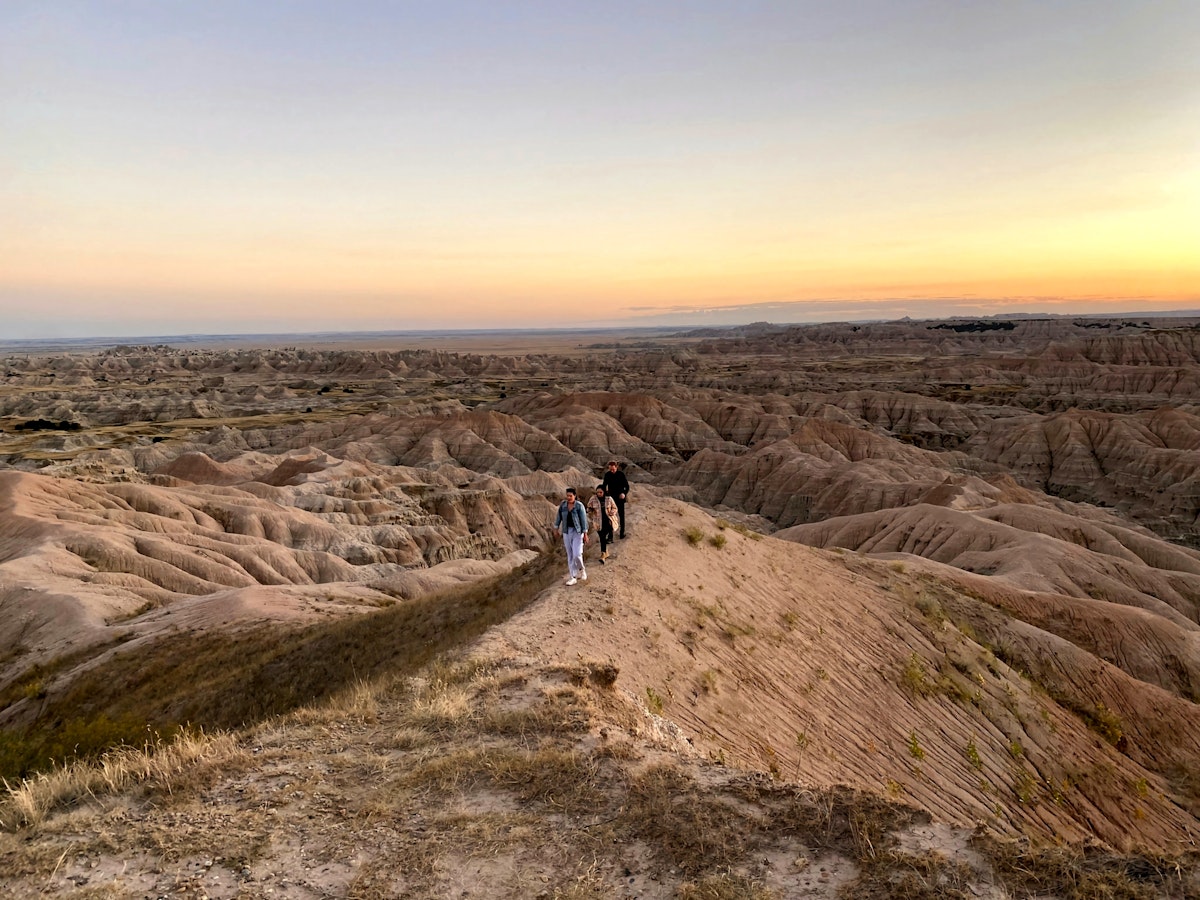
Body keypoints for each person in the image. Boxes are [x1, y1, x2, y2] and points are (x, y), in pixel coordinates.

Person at [553, 487, 588, 585]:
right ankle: (573, 576)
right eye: (567, 496)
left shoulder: (579, 506)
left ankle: (582, 569)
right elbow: (558, 517)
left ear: (575, 496)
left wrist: (585, 534)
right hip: (566, 531)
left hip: (577, 532)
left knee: (577, 554)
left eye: (570, 496)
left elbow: (583, 520)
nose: (568, 498)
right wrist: (556, 529)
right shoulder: (563, 506)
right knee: (570, 555)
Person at [586, 484, 619, 564]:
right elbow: (588, 508)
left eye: (600, 492)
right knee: (602, 537)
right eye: (597, 492)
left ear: (604, 492)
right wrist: (590, 510)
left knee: (606, 533)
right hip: (598, 522)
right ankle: (603, 553)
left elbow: (615, 508)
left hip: (608, 520)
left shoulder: (609, 499)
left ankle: (605, 550)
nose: (599, 494)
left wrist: (612, 512)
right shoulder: (593, 499)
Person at [602, 460, 630, 539]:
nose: (612, 471)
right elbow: (604, 485)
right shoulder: (607, 475)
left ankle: (622, 533)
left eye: (613, 469)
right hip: (611, 499)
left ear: (616, 467)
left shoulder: (621, 474)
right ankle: (610, 536)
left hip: (620, 498)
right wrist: (604, 494)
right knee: (610, 516)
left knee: (621, 516)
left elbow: (627, 486)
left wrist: (624, 493)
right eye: (610, 469)